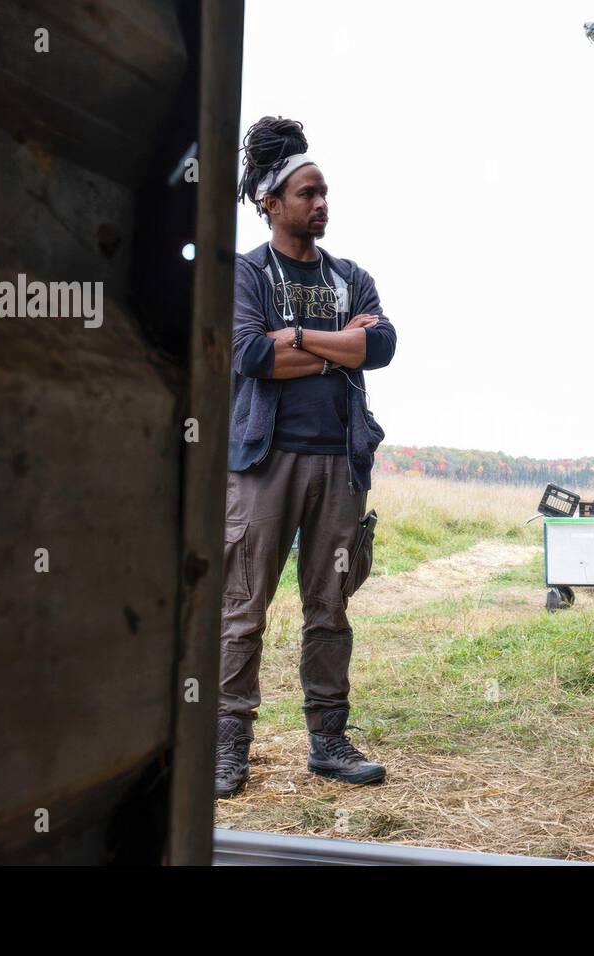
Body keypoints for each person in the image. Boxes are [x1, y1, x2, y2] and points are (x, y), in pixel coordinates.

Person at [215, 116, 396, 798]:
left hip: (339, 463)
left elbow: (380, 347)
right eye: (308, 193)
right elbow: (251, 355)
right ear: (271, 200)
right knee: (243, 608)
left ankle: (328, 741)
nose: (322, 204)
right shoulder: (245, 272)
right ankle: (228, 744)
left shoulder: (353, 276)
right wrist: (330, 346)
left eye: (325, 193)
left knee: (330, 609)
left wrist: (296, 339)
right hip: (262, 462)